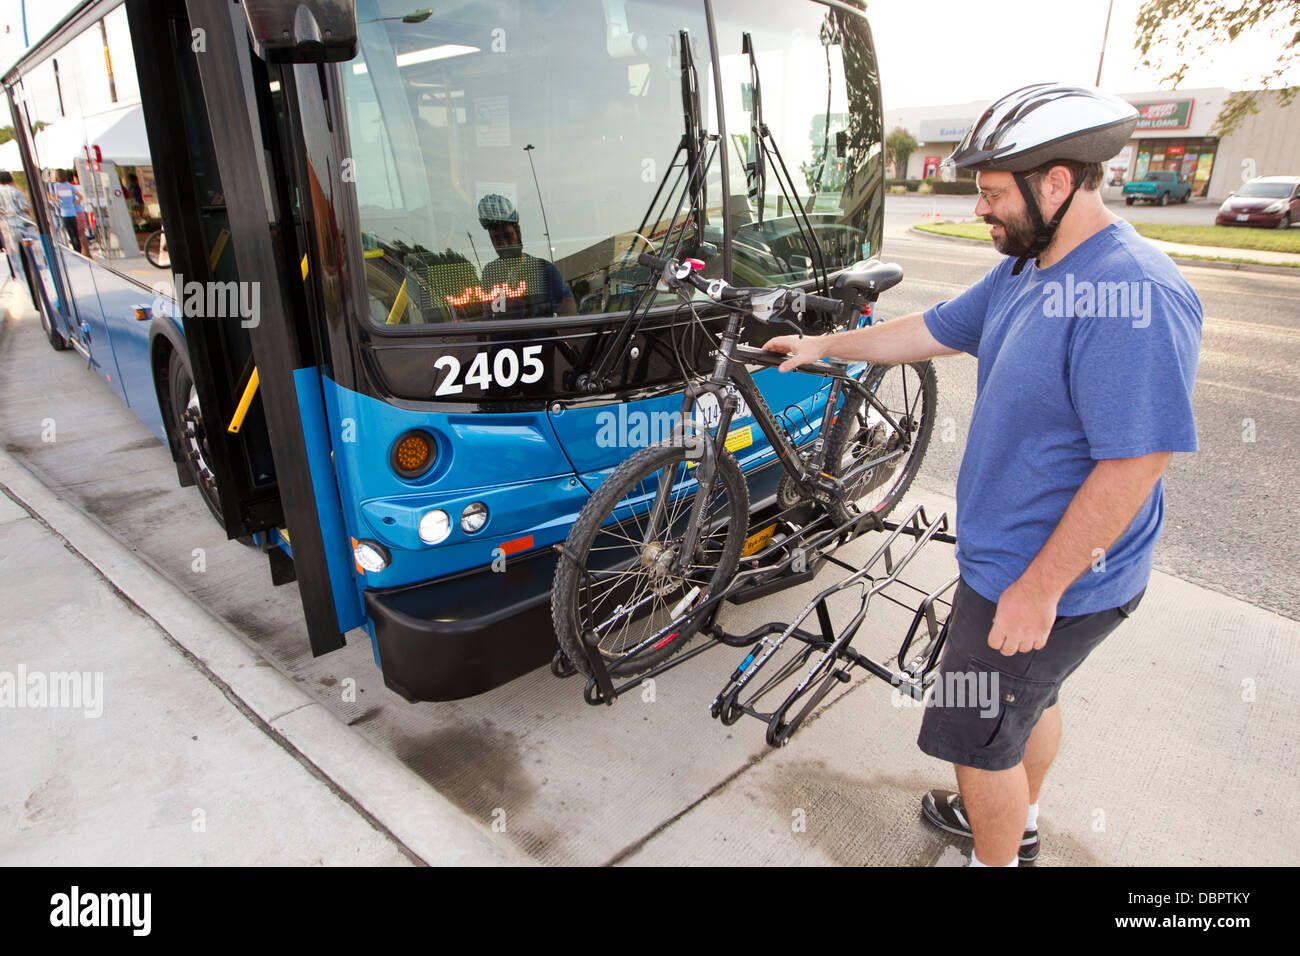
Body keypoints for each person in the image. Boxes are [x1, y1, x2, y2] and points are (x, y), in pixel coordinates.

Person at [761, 83, 1202, 867]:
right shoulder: (1030, 268)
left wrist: (1038, 590)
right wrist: (825, 348)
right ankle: (1018, 821)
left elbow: (1136, 461)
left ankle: (995, 855)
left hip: (1042, 580)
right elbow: (930, 329)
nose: (980, 211)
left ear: (1056, 183)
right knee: (1030, 703)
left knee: (975, 738)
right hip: (1014, 565)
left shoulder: (1132, 293)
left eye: (995, 194)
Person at [475, 193, 576, 318]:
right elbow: (488, 316)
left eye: (508, 236)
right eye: (496, 238)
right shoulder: (490, 273)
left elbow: (567, 308)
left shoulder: (544, 269)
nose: (504, 245)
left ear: (518, 233)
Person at [0, 170, 32, 253]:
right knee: (28, 250)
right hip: (21, 224)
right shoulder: (15, 191)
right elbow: (25, 207)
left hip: (7, 225)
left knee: (14, 253)